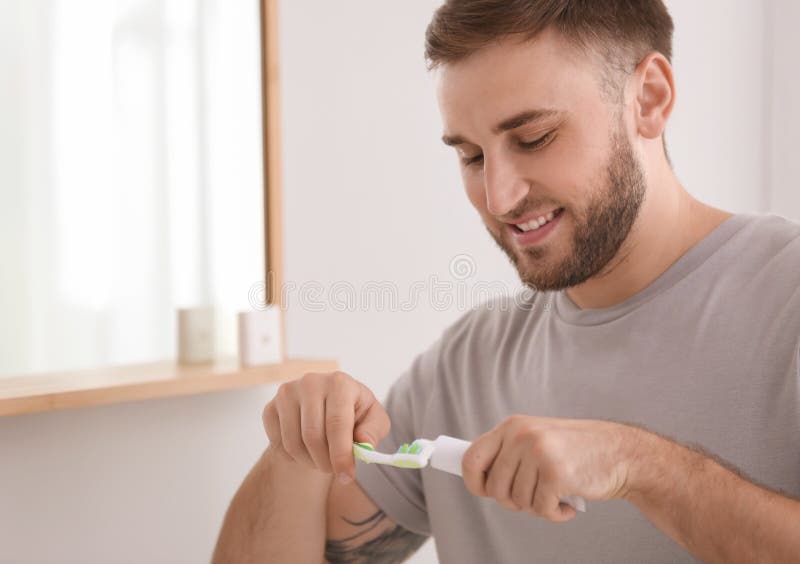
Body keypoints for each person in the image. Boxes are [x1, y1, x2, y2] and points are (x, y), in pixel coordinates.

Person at [212, 1, 800, 562]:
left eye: (534, 137)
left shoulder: (786, 298)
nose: (499, 197)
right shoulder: (464, 367)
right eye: (471, 156)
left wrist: (641, 466)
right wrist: (297, 448)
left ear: (649, 98)